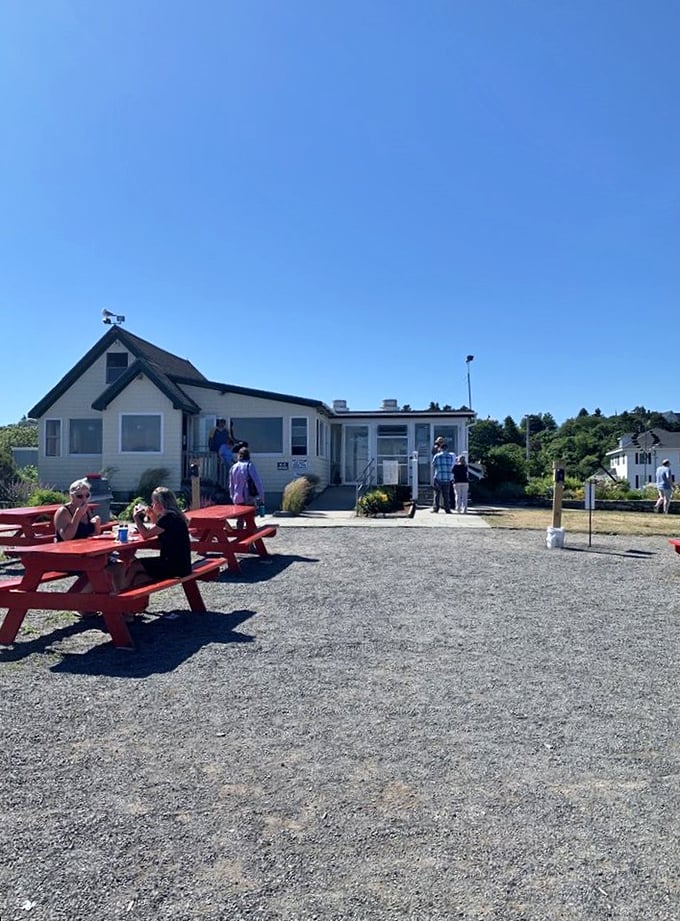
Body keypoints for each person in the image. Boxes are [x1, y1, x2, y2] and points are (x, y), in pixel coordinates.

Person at [117, 487, 192, 590]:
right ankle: (130, 596)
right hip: (182, 564)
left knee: (135, 565)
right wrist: (152, 515)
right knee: (140, 577)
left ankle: (121, 591)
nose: (152, 505)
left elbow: (146, 534)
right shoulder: (176, 517)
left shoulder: (167, 519)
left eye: (153, 502)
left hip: (172, 566)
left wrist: (136, 518)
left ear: (160, 505)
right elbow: (159, 528)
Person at [229, 446, 264, 525]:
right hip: (248, 497)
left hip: (237, 498)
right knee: (250, 521)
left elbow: (231, 485)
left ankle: (240, 535)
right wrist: (262, 497)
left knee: (240, 520)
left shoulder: (233, 467)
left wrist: (232, 497)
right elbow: (257, 482)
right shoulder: (249, 466)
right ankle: (252, 536)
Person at [431, 442, 455, 514]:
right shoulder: (450, 456)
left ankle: (436, 509)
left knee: (437, 494)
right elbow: (451, 465)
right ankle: (447, 509)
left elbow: (433, 465)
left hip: (438, 477)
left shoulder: (437, 456)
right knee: (446, 495)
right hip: (447, 477)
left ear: (440, 449)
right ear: (447, 449)